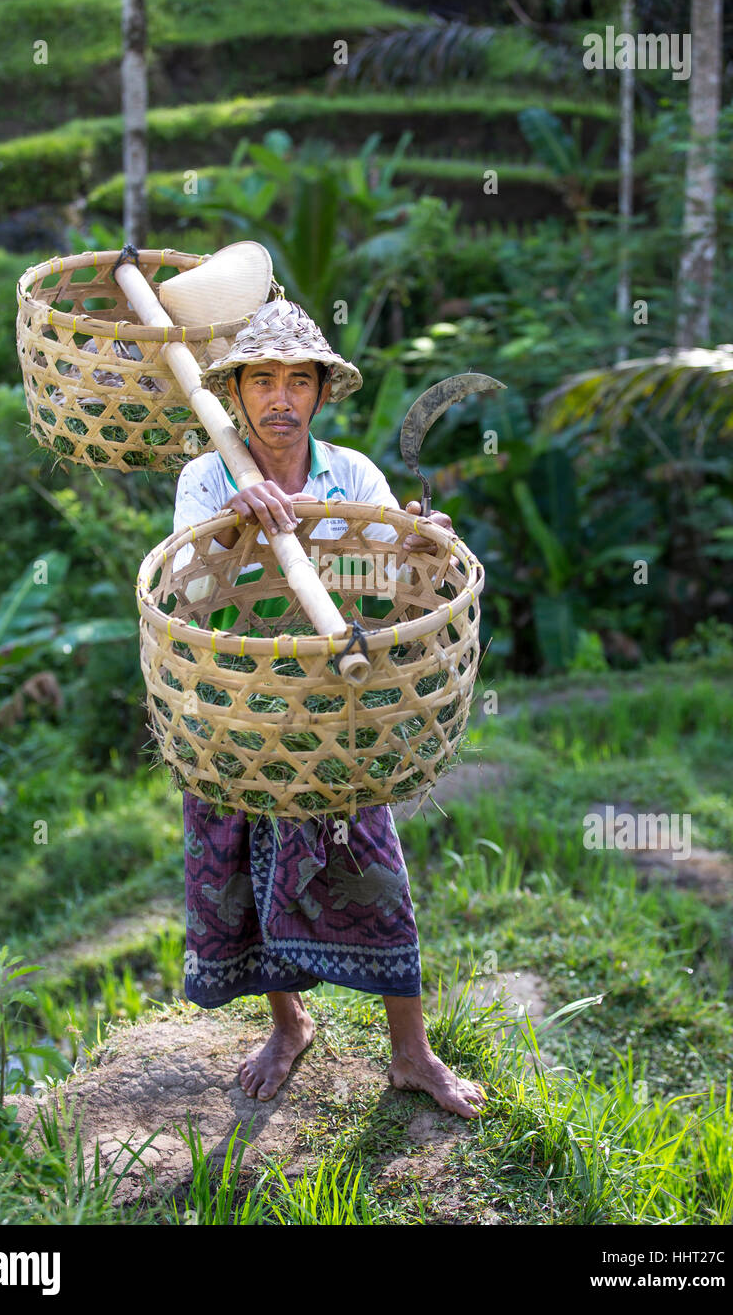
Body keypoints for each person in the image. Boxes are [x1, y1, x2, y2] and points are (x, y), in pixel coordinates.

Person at [172, 299, 487, 1119]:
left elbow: (384, 590)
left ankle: (412, 1054)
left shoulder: (354, 477)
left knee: (373, 866)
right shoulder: (206, 477)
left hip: (337, 711)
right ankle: (289, 1024)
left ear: (319, 393)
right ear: (236, 392)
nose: (281, 398)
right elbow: (192, 595)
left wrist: (421, 546)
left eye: (298, 382)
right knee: (242, 863)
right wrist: (231, 530)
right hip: (237, 700)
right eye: (263, 380)